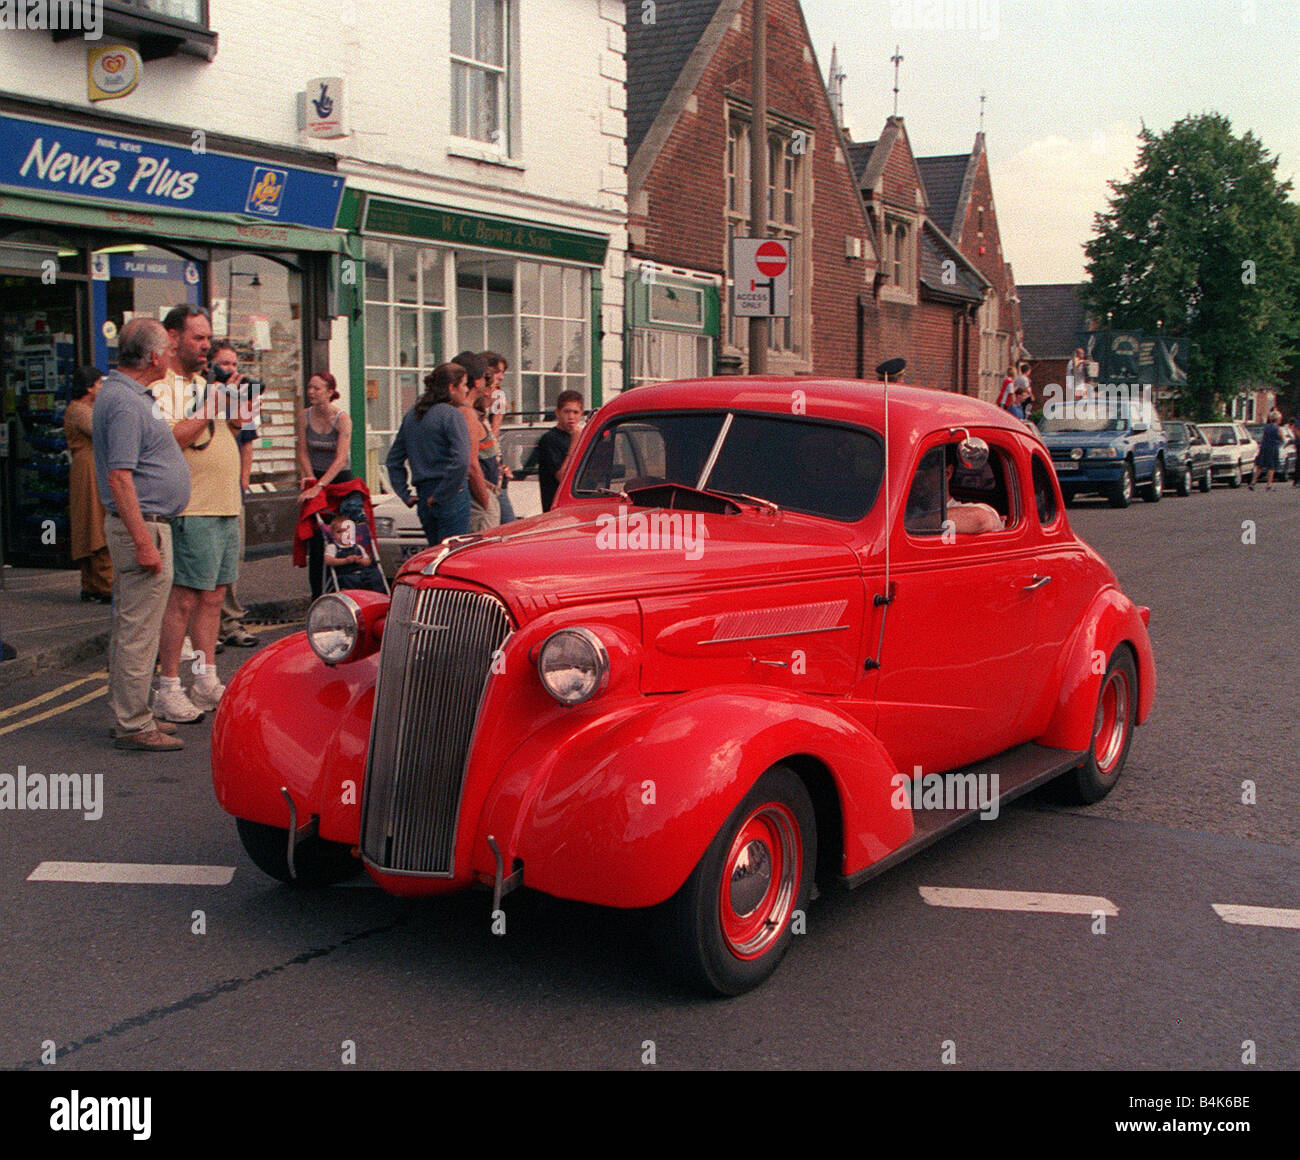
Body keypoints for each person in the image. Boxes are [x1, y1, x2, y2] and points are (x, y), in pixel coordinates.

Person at [92, 318, 190, 751]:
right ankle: (133, 724)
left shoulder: (125, 395)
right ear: (153, 357)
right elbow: (119, 478)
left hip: (149, 522)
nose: (170, 356)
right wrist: (144, 542)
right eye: (167, 350)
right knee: (138, 632)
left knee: (134, 628)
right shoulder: (126, 402)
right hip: (144, 525)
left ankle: (131, 714)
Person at [152, 305, 242, 724]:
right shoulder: (163, 387)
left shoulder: (207, 383)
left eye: (209, 338)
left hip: (224, 503)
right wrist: (210, 407)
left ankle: (205, 679)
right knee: (184, 600)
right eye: (198, 338)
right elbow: (170, 439)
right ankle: (168, 686)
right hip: (194, 506)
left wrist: (236, 410)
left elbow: (229, 431)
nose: (206, 346)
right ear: (173, 338)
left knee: (214, 597)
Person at [385, 362, 472, 545]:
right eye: (463, 384)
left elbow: (393, 460)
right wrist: (442, 494)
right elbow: (462, 461)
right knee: (453, 555)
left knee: (434, 552)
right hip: (451, 492)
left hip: (423, 494)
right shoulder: (452, 415)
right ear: (451, 387)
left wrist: (405, 493)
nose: (466, 390)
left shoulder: (412, 416)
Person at [211, 340, 259, 648]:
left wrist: (243, 480)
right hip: (204, 493)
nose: (232, 369)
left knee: (230, 564)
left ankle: (229, 623)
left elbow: (248, 443)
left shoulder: (242, 398)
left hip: (232, 492)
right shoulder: (201, 395)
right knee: (205, 565)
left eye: (235, 364)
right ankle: (204, 631)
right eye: (225, 363)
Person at [296, 371, 353, 598]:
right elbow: (302, 451)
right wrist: (310, 478)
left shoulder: (342, 418)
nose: (311, 392)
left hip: (338, 480)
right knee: (317, 541)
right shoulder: (304, 416)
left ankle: (346, 589)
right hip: (316, 477)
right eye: (310, 387)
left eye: (317, 388)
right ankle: (317, 596)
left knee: (342, 537)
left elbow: (340, 459)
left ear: (330, 392)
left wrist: (319, 486)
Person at [64, 365, 113, 603]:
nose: (101, 388)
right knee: (95, 523)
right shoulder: (79, 410)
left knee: (90, 522)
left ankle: (92, 583)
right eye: (99, 384)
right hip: (89, 469)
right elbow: (102, 432)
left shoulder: (83, 409)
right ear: (89, 387)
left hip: (90, 467)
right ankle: (103, 584)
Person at [451, 351, 499, 531]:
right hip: (479, 497)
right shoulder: (466, 414)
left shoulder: (457, 411)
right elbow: (471, 464)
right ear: (477, 382)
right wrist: (486, 502)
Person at [532, 389, 585, 512]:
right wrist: (574, 446)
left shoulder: (582, 437)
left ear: (581, 414)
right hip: (556, 508)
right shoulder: (549, 439)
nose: (571, 417)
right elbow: (563, 478)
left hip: (579, 506)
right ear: (558, 413)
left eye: (575, 412)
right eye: (567, 411)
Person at [481, 350, 518, 523]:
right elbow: (489, 440)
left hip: (496, 473)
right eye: (497, 372)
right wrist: (496, 417)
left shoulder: (498, 397)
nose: (501, 377)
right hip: (485, 478)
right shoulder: (478, 405)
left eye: (503, 372)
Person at [1250, 409, 1283, 491]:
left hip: (1264, 447)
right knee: (1271, 467)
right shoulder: (1277, 428)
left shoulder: (1266, 427)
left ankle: (1253, 482)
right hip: (1273, 447)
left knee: (1260, 465)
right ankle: (1269, 485)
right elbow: (1282, 438)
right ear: (1278, 419)